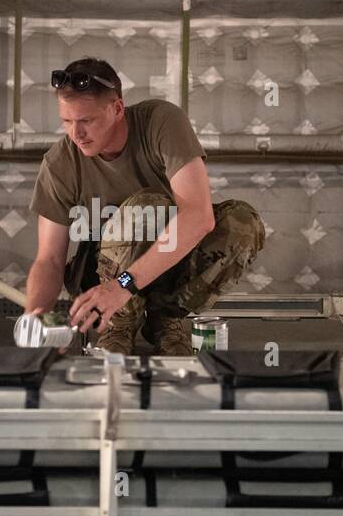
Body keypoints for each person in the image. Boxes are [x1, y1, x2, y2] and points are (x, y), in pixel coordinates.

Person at [23, 57, 265, 355]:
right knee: (147, 209)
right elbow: (48, 259)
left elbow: (199, 217)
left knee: (241, 222)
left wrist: (122, 286)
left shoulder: (160, 122)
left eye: (86, 121)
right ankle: (117, 326)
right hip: (100, 278)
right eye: (67, 121)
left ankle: (164, 319)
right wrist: (36, 318)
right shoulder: (60, 162)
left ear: (117, 109)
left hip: (151, 270)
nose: (76, 134)